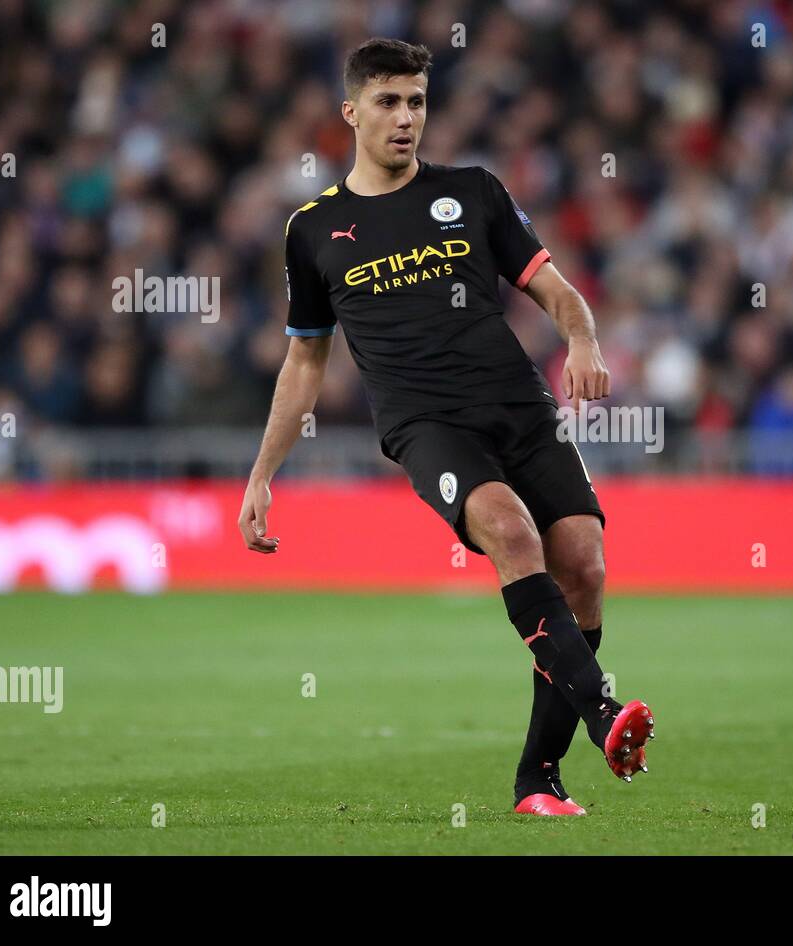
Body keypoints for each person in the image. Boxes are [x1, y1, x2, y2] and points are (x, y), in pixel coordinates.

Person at [237, 39, 653, 816]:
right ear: (351, 113)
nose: (406, 118)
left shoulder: (474, 192)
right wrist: (262, 476)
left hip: (520, 407)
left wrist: (584, 340)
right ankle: (604, 715)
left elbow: (557, 291)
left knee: (586, 566)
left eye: (418, 101)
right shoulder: (314, 229)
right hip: (428, 424)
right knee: (511, 530)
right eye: (389, 102)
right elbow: (303, 365)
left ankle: (538, 779)